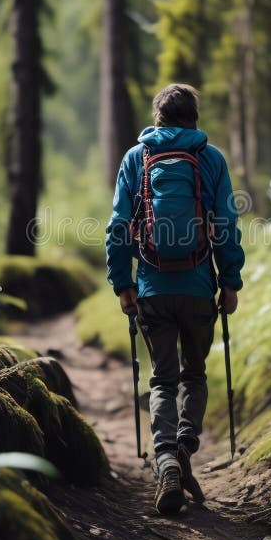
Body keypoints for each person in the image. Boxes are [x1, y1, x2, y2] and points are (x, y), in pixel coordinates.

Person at [106, 83, 245, 515]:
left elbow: (117, 228)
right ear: (194, 117)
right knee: (194, 374)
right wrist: (230, 281)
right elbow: (224, 222)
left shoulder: (136, 158)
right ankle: (184, 449)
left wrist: (123, 284)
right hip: (200, 287)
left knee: (162, 379)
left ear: (158, 118)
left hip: (152, 286)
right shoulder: (211, 158)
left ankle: (164, 456)